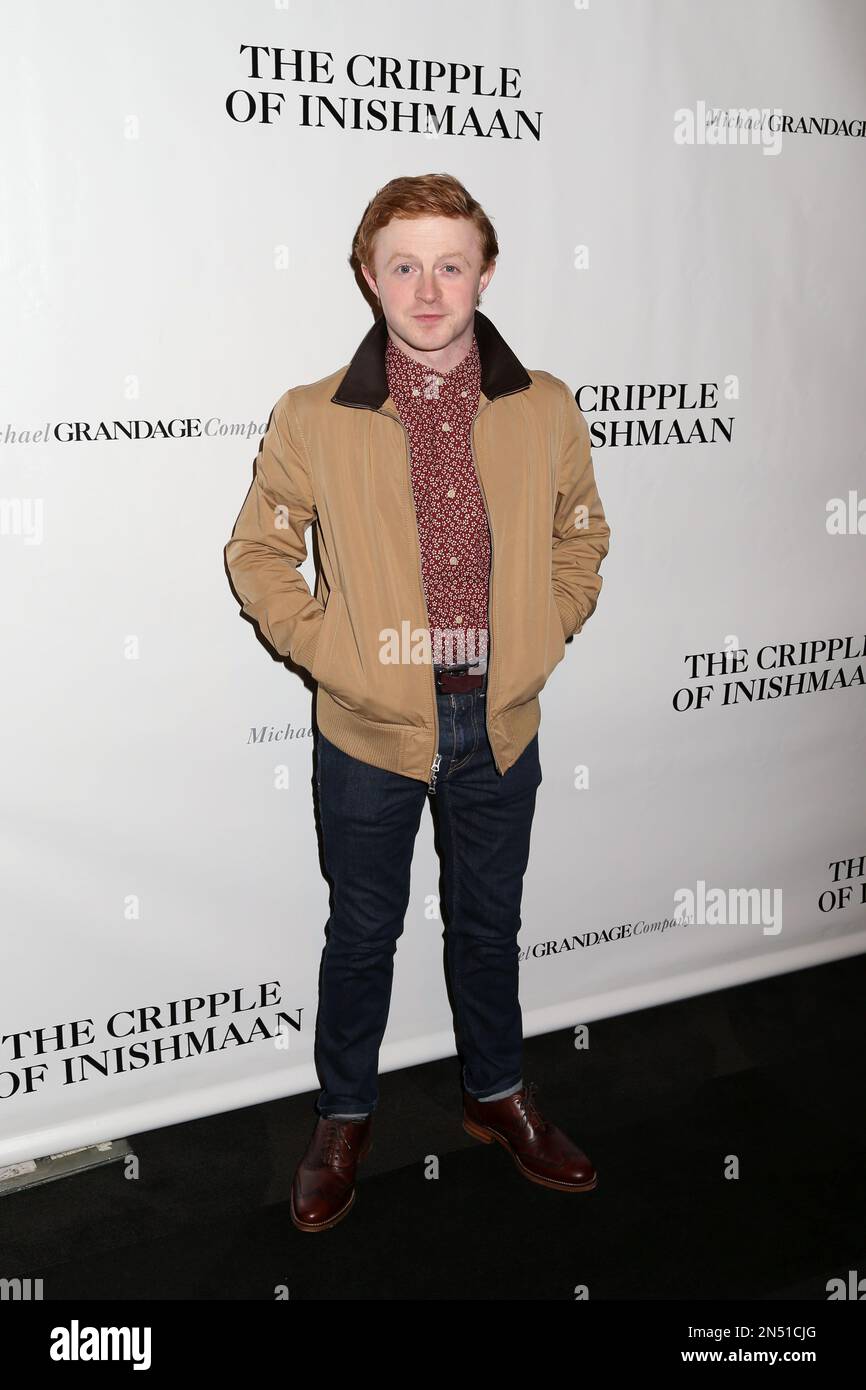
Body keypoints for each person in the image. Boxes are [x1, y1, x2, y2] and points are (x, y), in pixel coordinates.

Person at [224, 173, 611, 1233]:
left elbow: (581, 534)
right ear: (369, 278)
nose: (428, 288)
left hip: (497, 721)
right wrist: (335, 656)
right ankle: (345, 1113)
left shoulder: (544, 404)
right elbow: (258, 551)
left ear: (484, 271)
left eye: (449, 263)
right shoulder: (313, 415)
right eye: (403, 265)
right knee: (361, 932)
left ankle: (495, 1092)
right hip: (367, 731)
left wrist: (541, 631)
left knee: (488, 926)